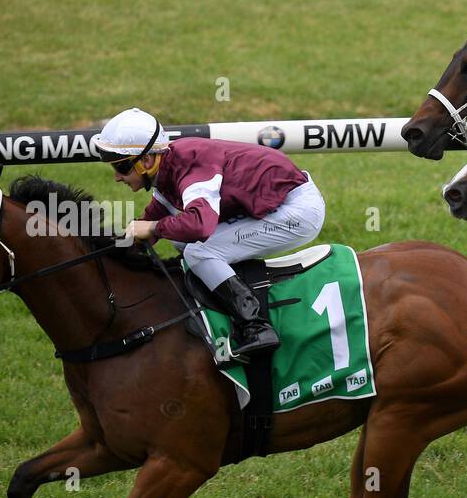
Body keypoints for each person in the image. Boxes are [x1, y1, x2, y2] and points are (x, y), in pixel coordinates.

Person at [92, 107, 326, 359]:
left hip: (296, 212)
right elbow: (158, 214)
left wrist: (151, 228)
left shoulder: (190, 164)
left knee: (198, 251)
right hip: (274, 204)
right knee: (182, 242)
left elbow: (199, 226)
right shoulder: (169, 164)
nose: (117, 177)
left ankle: (256, 326)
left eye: (122, 167)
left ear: (147, 161)